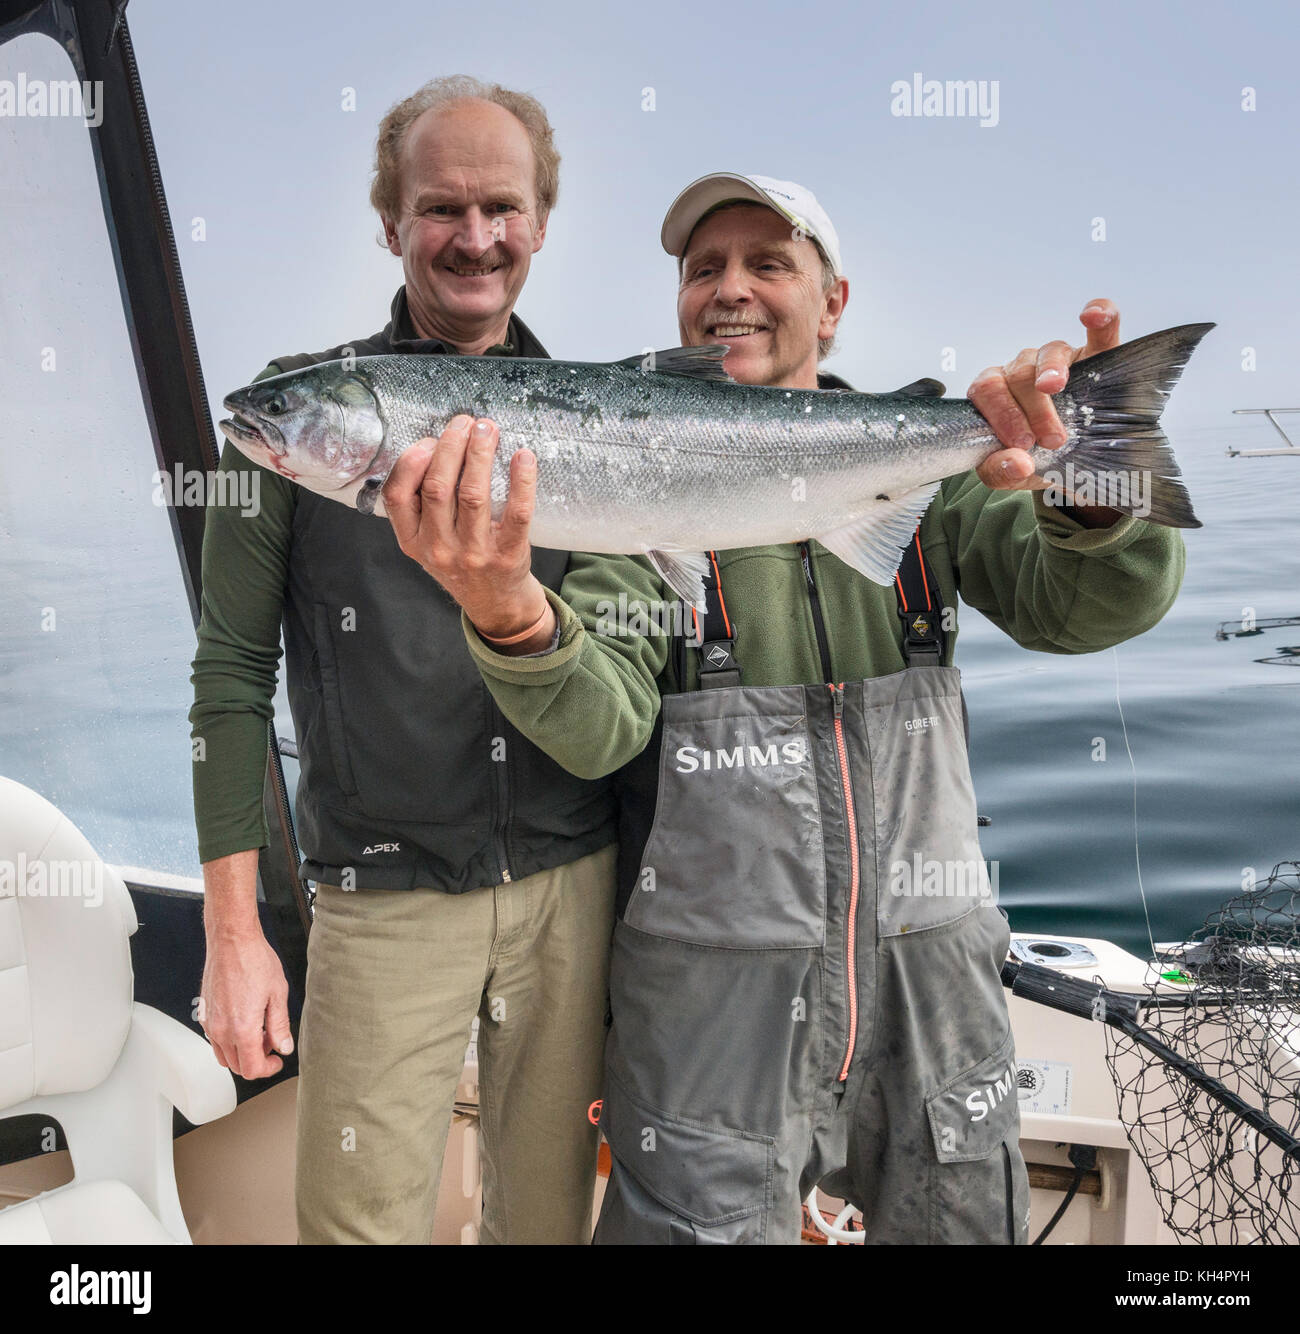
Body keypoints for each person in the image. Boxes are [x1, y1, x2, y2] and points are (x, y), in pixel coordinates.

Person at [382, 173, 1185, 1243]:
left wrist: (1089, 478)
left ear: (834, 300)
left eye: (769, 262)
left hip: (931, 983)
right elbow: (601, 725)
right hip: (711, 1007)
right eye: (702, 268)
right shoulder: (634, 498)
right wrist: (506, 608)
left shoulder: (933, 471)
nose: (730, 289)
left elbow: (1081, 607)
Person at [189, 75, 618, 1246]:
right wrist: (235, 937)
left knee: (546, 1228)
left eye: (500, 208)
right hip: (379, 899)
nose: (472, 238)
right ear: (390, 223)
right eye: (439, 207)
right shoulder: (291, 422)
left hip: (572, 886)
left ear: (538, 221)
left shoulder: (608, 418)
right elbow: (229, 676)